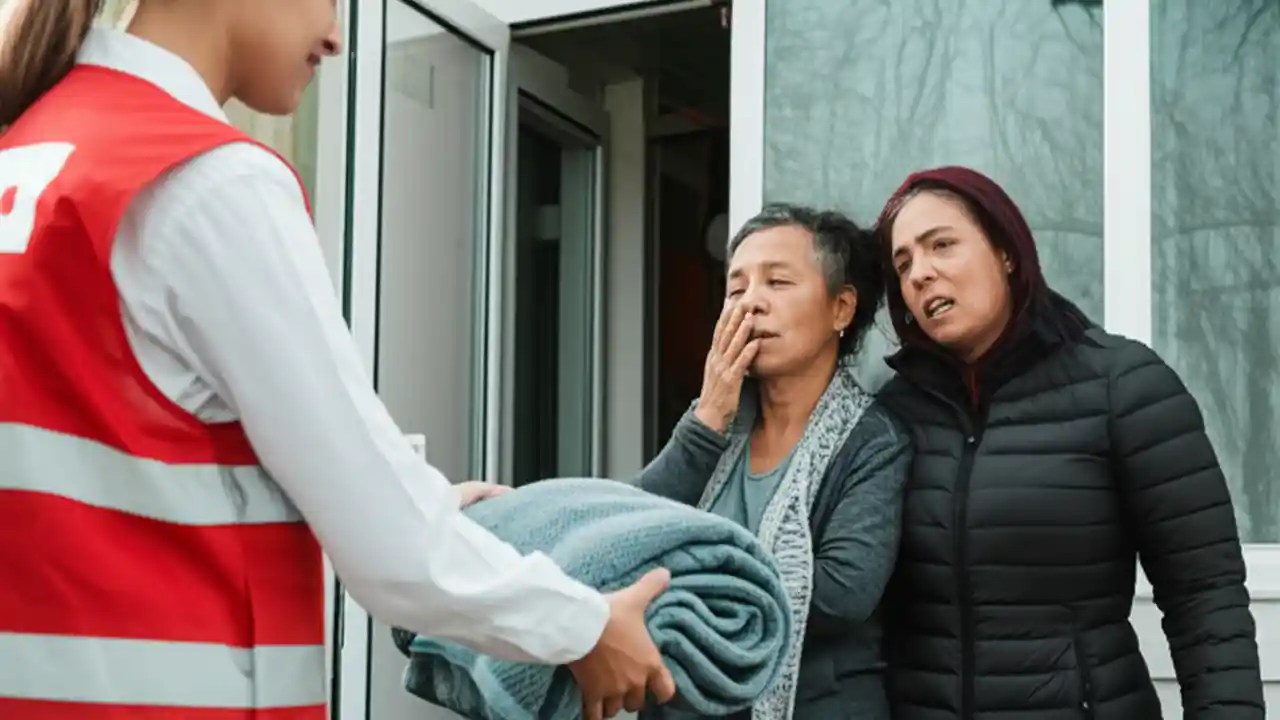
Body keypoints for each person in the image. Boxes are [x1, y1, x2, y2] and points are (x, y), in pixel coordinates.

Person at [0, 2, 675, 719]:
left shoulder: (32, 158)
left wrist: (414, 502)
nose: (337, 34)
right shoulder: (205, 180)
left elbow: (112, 476)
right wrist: (586, 626)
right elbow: (394, 550)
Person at [874, 166, 1265, 719]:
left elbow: (1205, 596)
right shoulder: (891, 415)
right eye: (904, 262)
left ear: (1007, 252)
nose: (921, 274)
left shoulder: (1123, 386)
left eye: (942, 245)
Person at [635, 204, 912, 720]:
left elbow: (839, 595)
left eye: (778, 282)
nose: (752, 304)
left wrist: (679, 578)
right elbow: (628, 537)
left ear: (841, 309)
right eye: (736, 289)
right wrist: (708, 417)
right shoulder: (717, 423)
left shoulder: (873, 439)